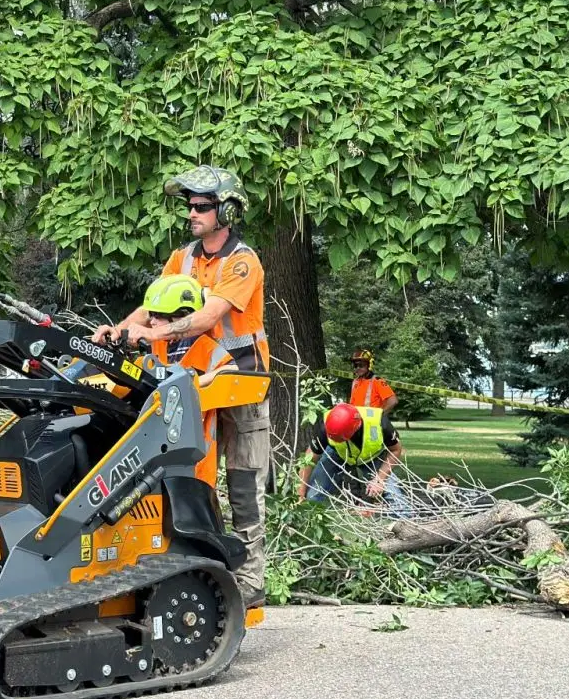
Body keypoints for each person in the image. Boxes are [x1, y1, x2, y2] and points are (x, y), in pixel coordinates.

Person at [92, 165, 270, 607]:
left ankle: (250, 582)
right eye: (189, 205)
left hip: (240, 382)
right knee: (189, 475)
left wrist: (155, 333)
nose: (192, 212)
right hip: (194, 381)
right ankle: (198, 565)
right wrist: (120, 331)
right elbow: (152, 303)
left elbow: (208, 317)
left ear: (226, 211)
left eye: (202, 206)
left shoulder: (243, 262)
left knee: (244, 483)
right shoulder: (182, 258)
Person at [141, 273, 233, 491]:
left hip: (195, 455)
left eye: (158, 316)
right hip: (163, 447)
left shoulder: (204, 346)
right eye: (151, 315)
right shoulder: (160, 346)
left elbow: (230, 369)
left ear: (180, 317)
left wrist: (190, 383)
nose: (152, 321)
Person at [296, 402, 411, 516]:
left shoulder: (379, 422)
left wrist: (380, 479)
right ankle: (307, 521)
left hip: (373, 457)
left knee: (395, 499)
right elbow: (308, 460)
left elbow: (396, 450)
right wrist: (300, 492)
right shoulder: (326, 425)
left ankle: (408, 523)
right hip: (337, 454)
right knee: (312, 495)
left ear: (356, 428)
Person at [348, 348, 398, 414]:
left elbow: (393, 401)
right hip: (356, 419)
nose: (358, 368)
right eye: (355, 365)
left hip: (370, 419)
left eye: (361, 365)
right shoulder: (355, 381)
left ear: (369, 365)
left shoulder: (377, 381)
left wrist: (380, 415)